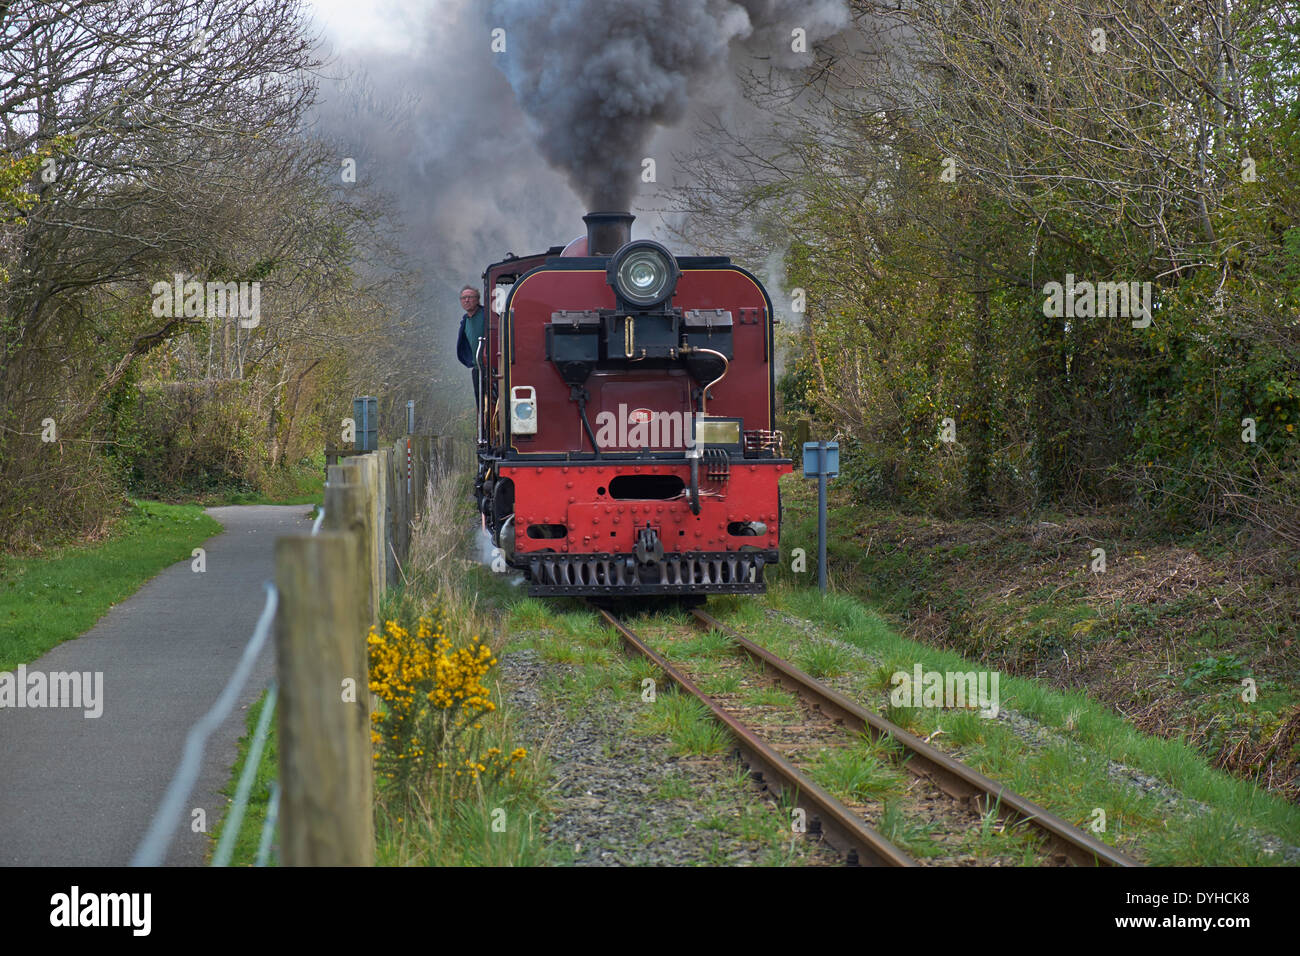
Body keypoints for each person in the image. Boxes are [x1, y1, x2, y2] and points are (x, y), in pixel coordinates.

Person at [456, 285, 485, 405]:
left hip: (492, 368)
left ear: (477, 300)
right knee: (480, 403)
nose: (466, 300)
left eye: (470, 297)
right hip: (476, 368)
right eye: (463, 298)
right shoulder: (465, 321)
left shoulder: (488, 315)